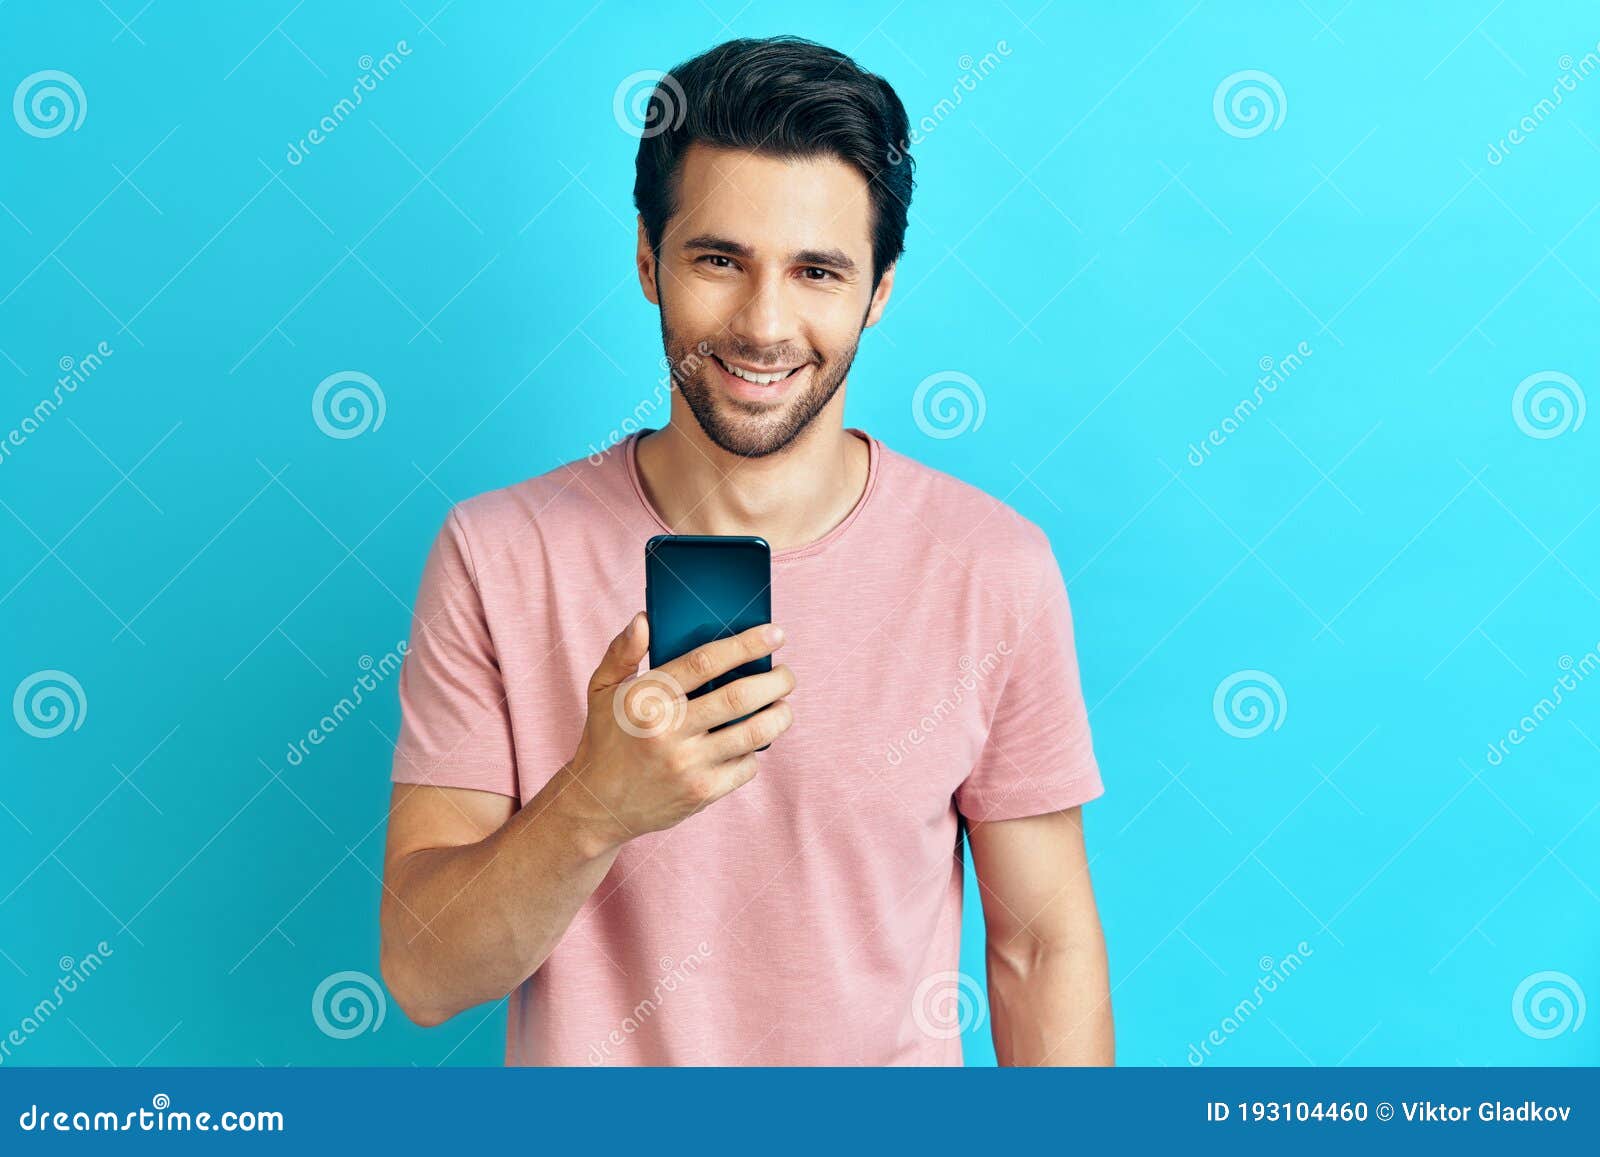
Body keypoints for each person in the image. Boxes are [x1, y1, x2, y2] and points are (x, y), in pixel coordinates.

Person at [378, 35, 1112, 1066]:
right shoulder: (498, 553)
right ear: (647, 258)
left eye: (817, 270)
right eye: (718, 259)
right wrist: (592, 803)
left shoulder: (990, 567)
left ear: (880, 290)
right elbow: (421, 973)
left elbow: (1039, 945)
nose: (764, 324)